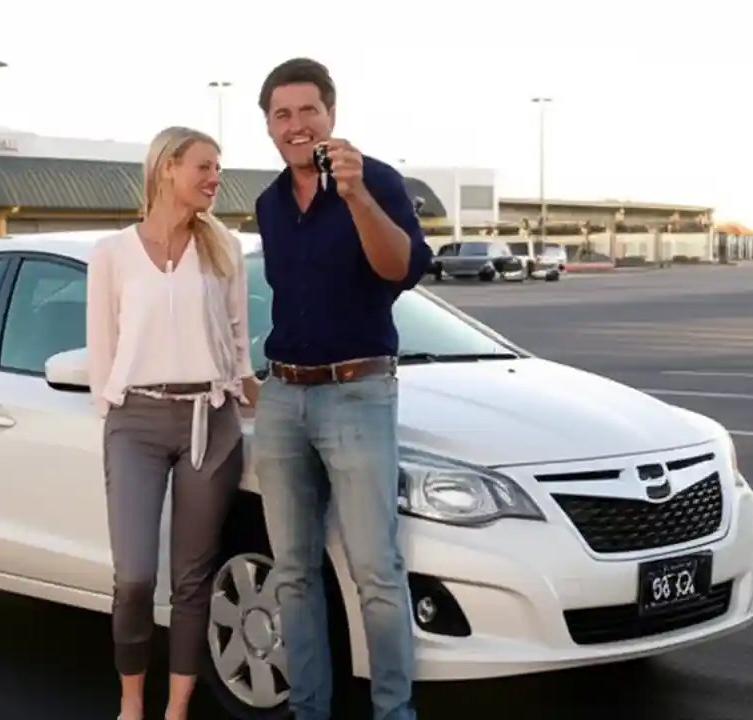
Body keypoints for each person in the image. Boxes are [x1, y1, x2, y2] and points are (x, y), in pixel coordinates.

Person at [250, 58, 432, 720]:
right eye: (282, 114)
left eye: (308, 111)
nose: (296, 126)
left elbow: (401, 269)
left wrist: (355, 196)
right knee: (292, 571)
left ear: (331, 114)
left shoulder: (374, 179)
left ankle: (393, 711)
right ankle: (309, 709)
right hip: (283, 396)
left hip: (357, 393)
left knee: (375, 570)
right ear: (268, 125)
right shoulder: (269, 203)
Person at [86, 125, 261, 720]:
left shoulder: (224, 249)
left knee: (192, 580)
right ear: (167, 168)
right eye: (204, 168)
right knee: (134, 576)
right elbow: (102, 345)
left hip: (209, 422)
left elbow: (237, 336)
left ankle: (176, 709)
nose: (215, 179)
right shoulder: (111, 255)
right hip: (135, 422)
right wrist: (110, 406)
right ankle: (130, 703)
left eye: (218, 169)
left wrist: (243, 388)